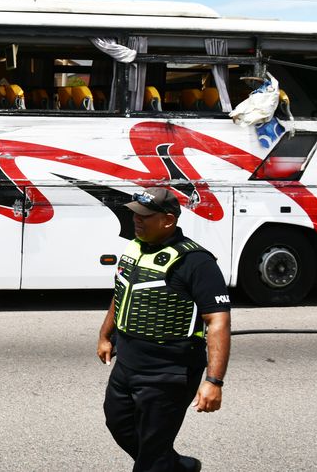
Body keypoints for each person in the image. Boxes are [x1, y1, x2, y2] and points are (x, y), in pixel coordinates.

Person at [97, 187, 231, 472]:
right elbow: (122, 292)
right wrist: (105, 335)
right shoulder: (135, 248)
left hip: (168, 372)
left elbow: (217, 321)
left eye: (144, 216)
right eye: (135, 213)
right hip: (127, 365)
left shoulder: (197, 262)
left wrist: (214, 381)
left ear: (168, 220)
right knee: (118, 423)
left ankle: (161, 463)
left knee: (151, 456)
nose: (136, 219)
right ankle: (175, 465)